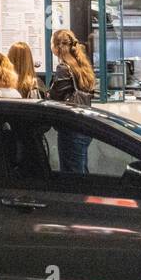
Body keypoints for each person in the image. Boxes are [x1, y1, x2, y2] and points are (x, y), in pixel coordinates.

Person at [48, 28, 97, 174]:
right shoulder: (82, 66)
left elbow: (56, 96)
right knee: (81, 171)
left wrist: (48, 93)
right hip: (84, 127)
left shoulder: (64, 68)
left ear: (57, 47)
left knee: (73, 176)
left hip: (71, 128)